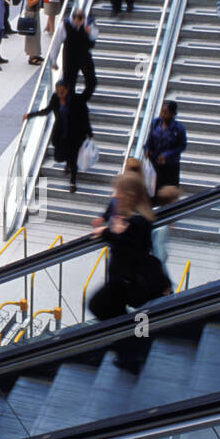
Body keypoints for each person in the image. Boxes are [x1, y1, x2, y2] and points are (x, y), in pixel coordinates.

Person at [87, 172, 171, 371]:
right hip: (124, 281)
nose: (115, 197)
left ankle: (132, 349)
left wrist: (107, 233)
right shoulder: (131, 219)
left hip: (126, 282)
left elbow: (130, 245)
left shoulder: (139, 221)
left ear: (130, 195)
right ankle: (131, 349)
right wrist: (113, 230)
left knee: (99, 305)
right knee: (119, 314)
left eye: (118, 193)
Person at [24, 79, 93, 194]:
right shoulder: (55, 98)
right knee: (59, 156)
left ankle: (73, 182)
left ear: (67, 90)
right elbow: (47, 111)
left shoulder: (76, 100)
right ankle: (68, 163)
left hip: (74, 134)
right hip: (60, 133)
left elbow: (84, 118)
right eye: (58, 91)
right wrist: (31, 115)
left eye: (62, 91)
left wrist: (89, 132)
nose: (59, 94)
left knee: (73, 157)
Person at [147, 100, 188, 192]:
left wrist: (166, 155)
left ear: (172, 114)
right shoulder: (155, 123)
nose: (163, 114)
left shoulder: (179, 129)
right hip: (156, 163)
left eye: (166, 112)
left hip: (170, 166)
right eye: (162, 111)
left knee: (169, 190)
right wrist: (147, 148)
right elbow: (150, 139)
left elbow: (182, 146)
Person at [22, 0, 44, 64]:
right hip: (31, 13)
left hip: (36, 12)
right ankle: (31, 56)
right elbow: (30, 3)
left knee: (37, 34)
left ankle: (36, 53)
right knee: (31, 35)